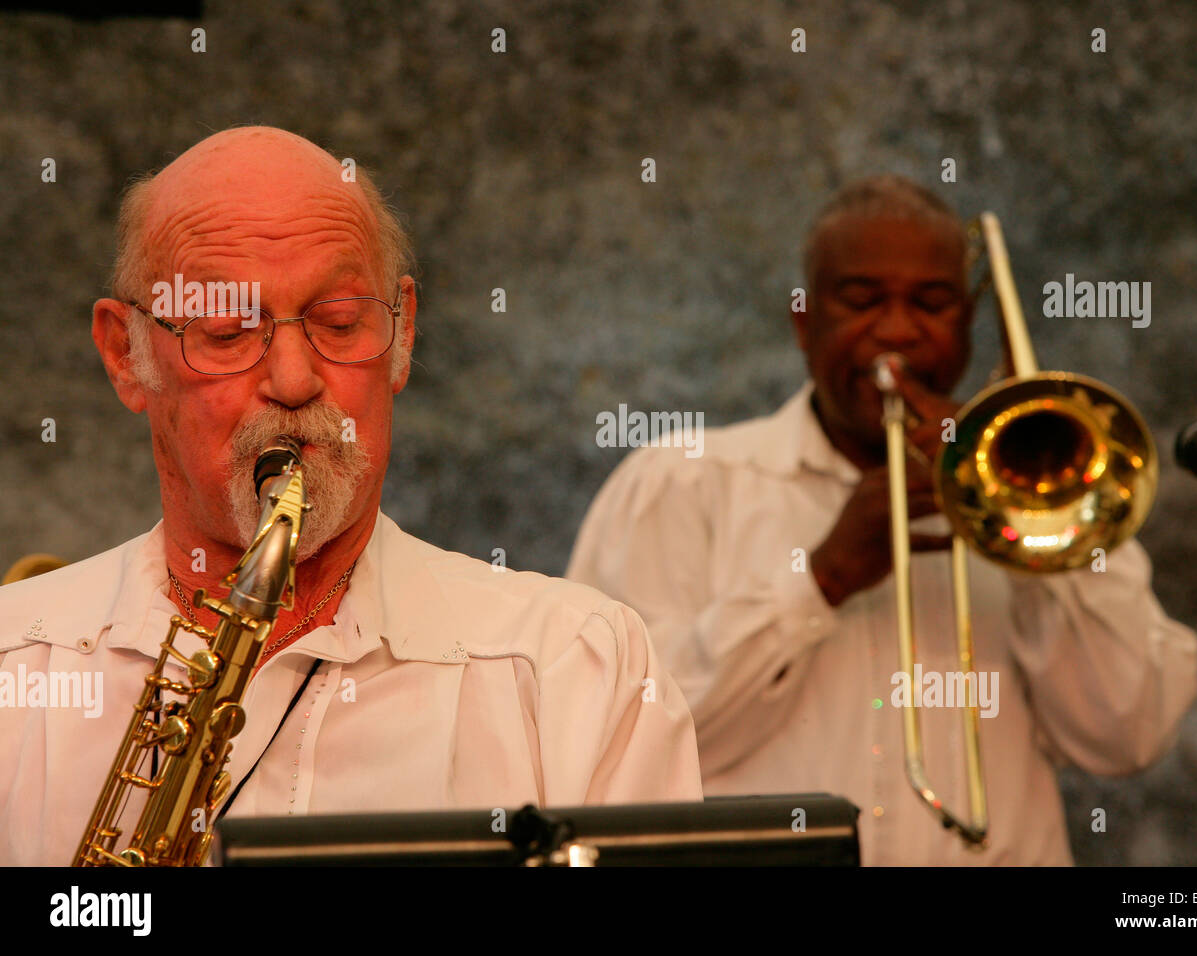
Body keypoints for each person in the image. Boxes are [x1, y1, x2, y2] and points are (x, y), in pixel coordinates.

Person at [0, 126, 701, 866]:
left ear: (402, 334)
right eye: (230, 331)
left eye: (339, 322)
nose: (295, 381)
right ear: (125, 355)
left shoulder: (577, 666)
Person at [567, 175, 1197, 865]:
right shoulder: (682, 482)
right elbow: (613, 743)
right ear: (805, 324)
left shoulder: (1055, 491)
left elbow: (1129, 736)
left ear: (965, 325)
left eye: (931, 304)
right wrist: (821, 580)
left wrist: (1032, 539)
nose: (897, 331)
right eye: (863, 301)